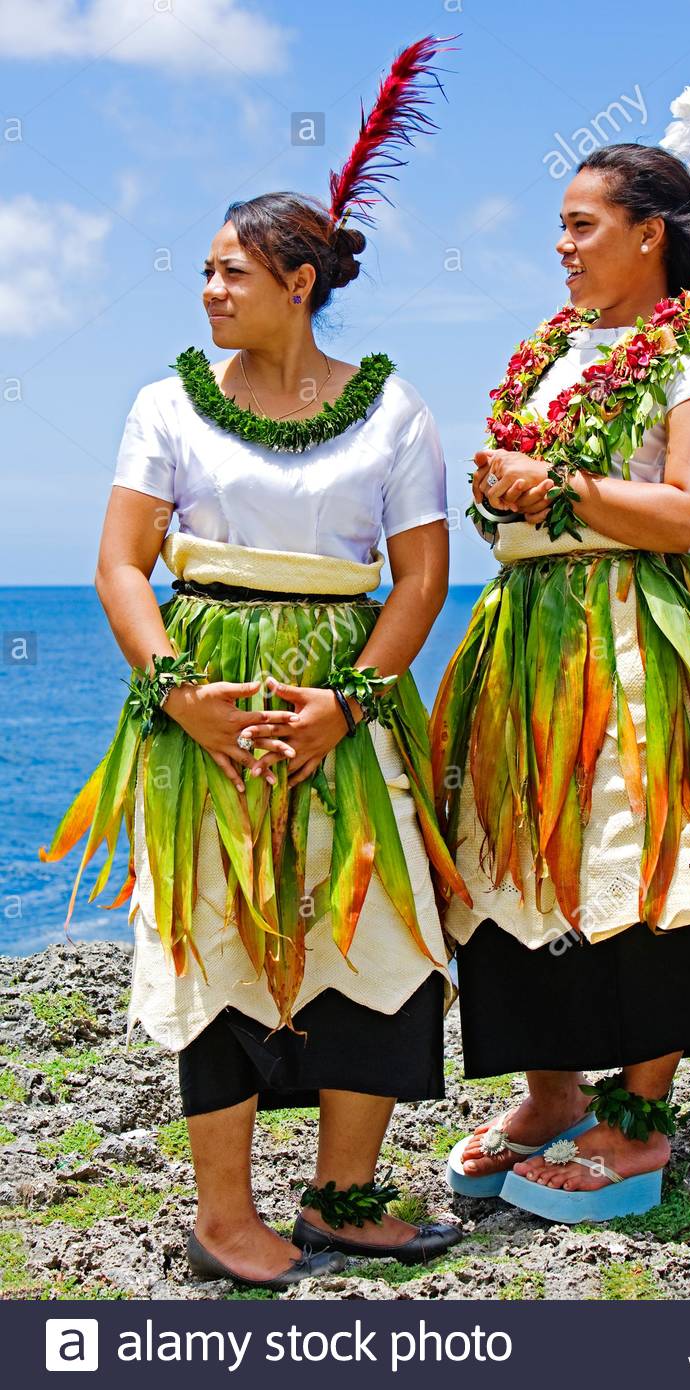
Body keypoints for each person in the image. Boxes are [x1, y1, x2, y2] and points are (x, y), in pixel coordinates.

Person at [40, 39, 467, 1288]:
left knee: (377, 933)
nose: (210, 290)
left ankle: (340, 1194)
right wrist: (182, 693)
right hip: (204, 689)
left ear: (297, 281)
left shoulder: (391, 409)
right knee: (213, 934)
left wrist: (352, 703)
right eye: (209, 272)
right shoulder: (164, 403)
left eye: (231, 272)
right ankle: (224, 1214)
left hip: (349, 693)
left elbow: (423, 575)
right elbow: (123, 563)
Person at [431, 104, 690, 1223]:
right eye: (556, 228)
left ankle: (639, 1118)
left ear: (649, 232)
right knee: (516, 849)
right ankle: (550, 1091)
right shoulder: (554, 350)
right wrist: (503, 492)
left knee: (652, 851)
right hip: (526, 637)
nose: (559, 246)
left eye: (579, 225)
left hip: (636, 638)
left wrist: (549, 488)